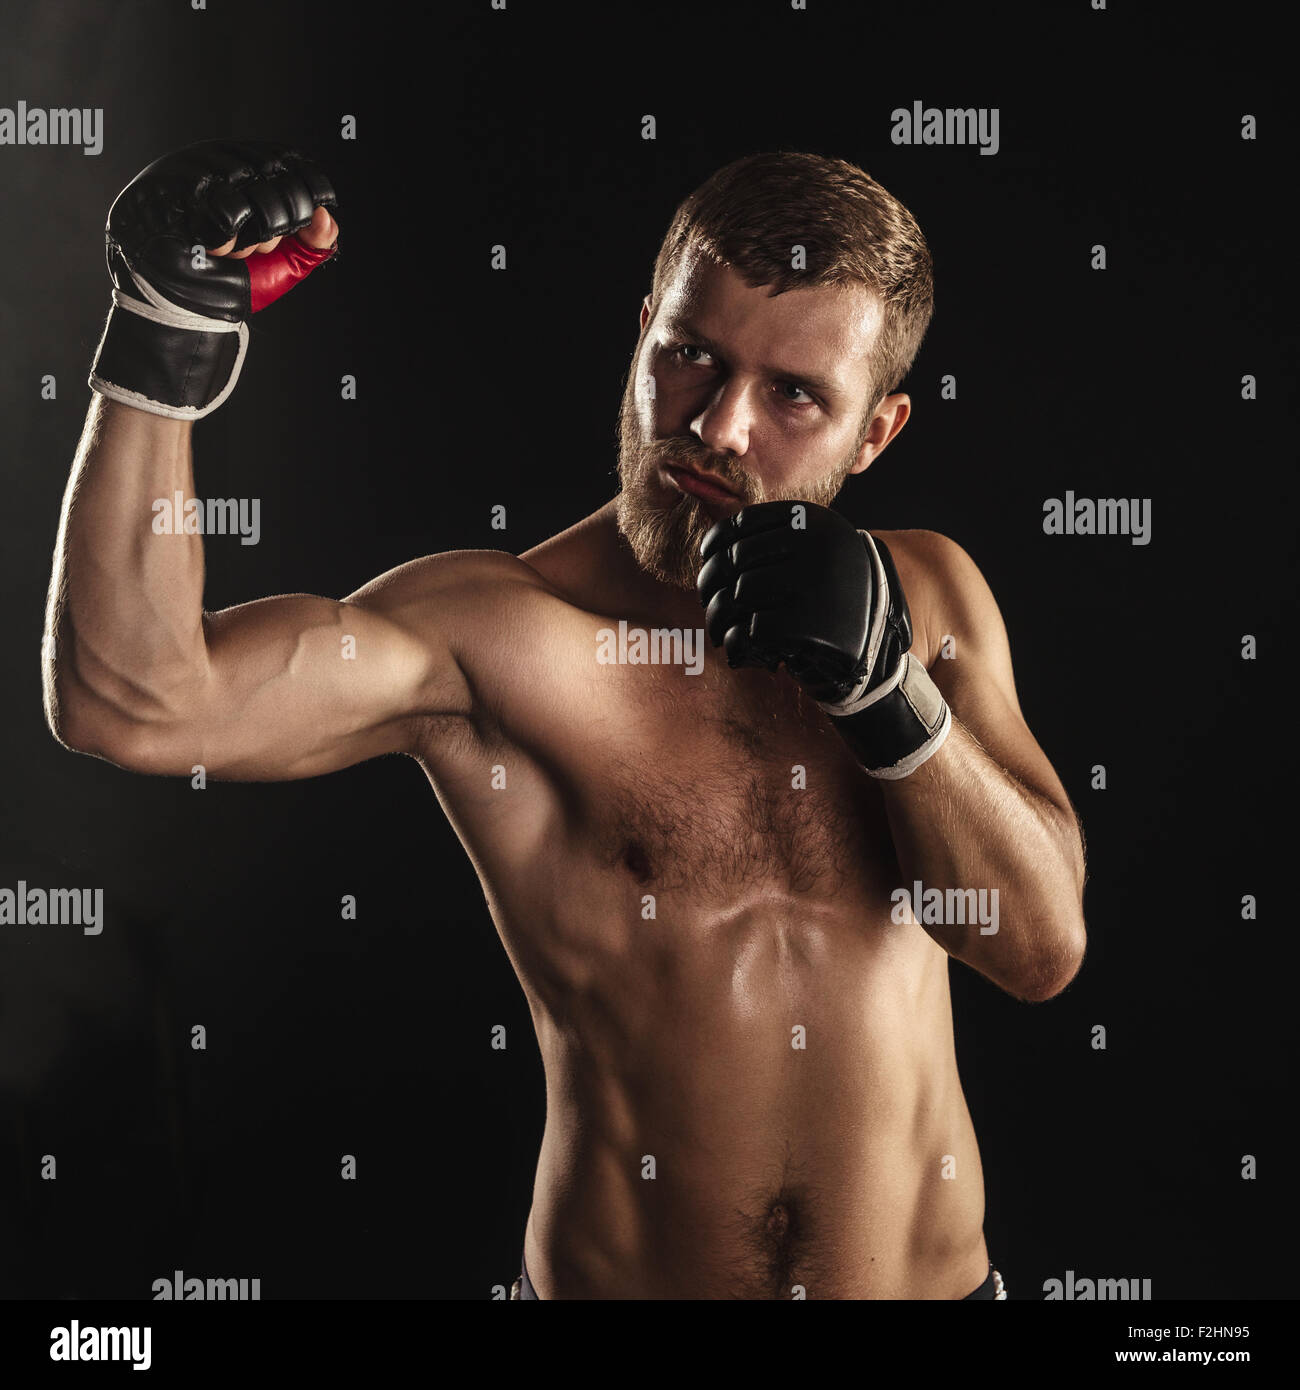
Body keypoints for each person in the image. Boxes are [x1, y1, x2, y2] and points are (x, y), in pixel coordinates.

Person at [44, 141, 1085, 1300]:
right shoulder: (498, 633)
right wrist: (159, 340)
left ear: (875, 432)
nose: (721, 427)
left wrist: (891, 699)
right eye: (690, 354)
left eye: (794, 394)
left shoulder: (928, 595)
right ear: (643, 329)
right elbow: (132, 700)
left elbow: (1039, 949)